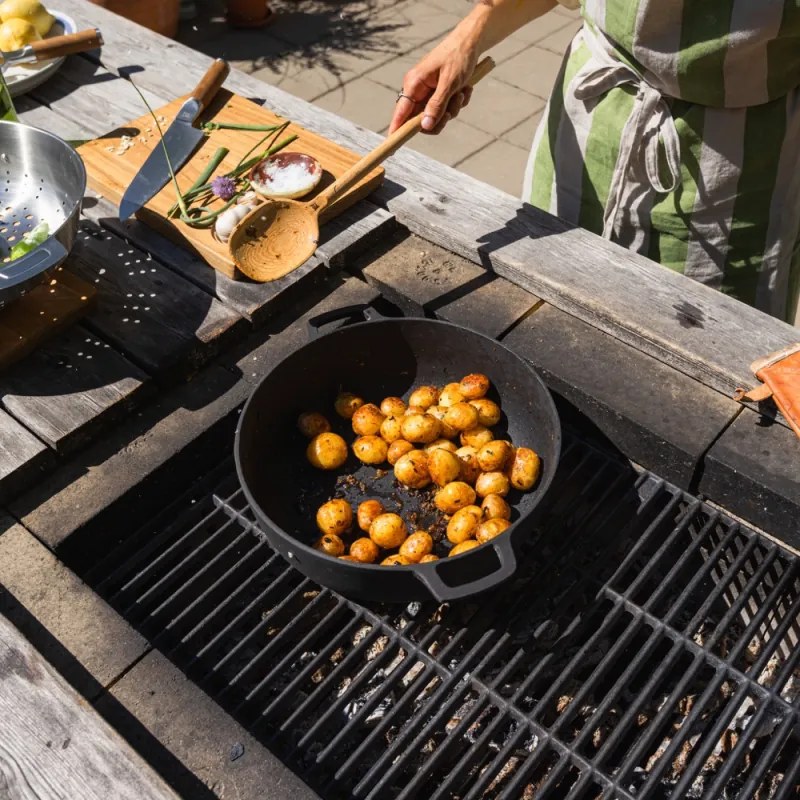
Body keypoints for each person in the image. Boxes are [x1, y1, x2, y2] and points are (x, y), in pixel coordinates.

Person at [389, 0, 800, 326]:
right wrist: (467, 38)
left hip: (737, 170)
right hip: (588, 127)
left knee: (713, 357)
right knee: (542, 318)